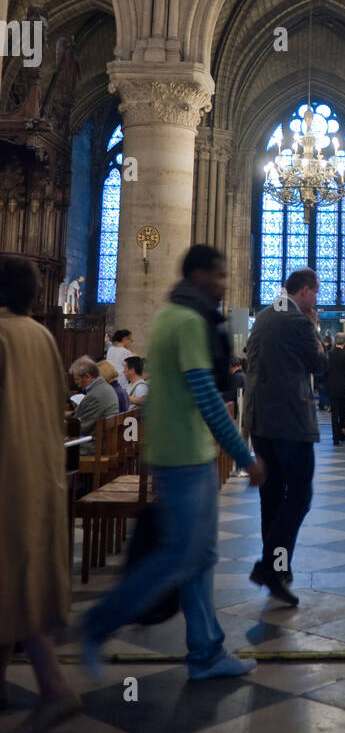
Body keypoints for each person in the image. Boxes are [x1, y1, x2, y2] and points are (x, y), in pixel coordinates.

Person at [80, 245, 265, 681]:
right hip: (183, 455)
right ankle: (97, 624)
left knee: (198, 557)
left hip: (181, 452)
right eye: (218, 275)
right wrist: (245, 456)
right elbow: (205, 395)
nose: (224, 284)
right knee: (178, 558)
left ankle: (205, 652)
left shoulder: (173, 315)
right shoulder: (186, 321)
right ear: (199, 275)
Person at [0, 256, 84, 733]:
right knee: (17, 578)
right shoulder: (42, 335)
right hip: (40, 474)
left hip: (9, 476)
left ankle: (54, 689)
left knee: (14, 578)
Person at [244, 267, 326, 607]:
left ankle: (279, 567)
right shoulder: (298, 320)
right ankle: (270, 567)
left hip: (261, 421)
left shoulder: (264, 315)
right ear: (305, 291)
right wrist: (315, 327)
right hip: (290, 422)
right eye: (316, 294)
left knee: (272, 496)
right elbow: (319, 365)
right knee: (300, 495)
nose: (316, 300)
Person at [68, 355, 118, 433]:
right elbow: (82, 414)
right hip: (101, 439)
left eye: (77, 379)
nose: (76, 383)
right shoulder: (105, 387)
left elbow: (81, 428)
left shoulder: (95, 396)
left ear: (87, 376)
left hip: (92, 442)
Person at [327, 333, 345, 445]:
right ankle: (342, 435)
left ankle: (335, 438)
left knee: (334, 414)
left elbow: (324, 369)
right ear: (344, 342)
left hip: (332, 387)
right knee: (343, 412)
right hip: (343, 387)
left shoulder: (329, 354)